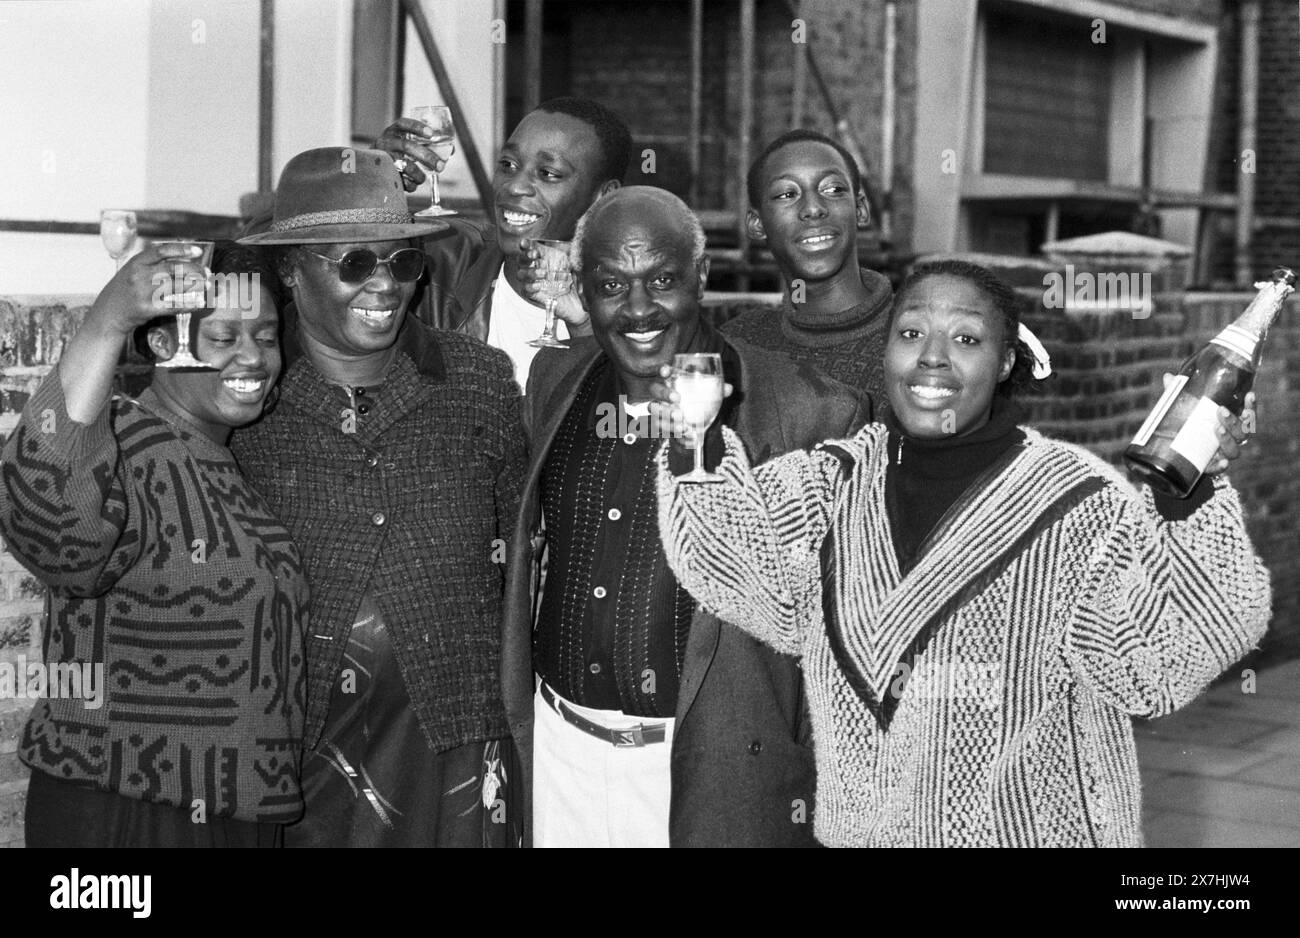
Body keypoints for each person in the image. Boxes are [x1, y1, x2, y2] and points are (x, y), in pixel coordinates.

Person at [657, 259, 1271, 847]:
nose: (932, 355)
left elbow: (1157, 667)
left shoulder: (1076, 505)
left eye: (967, 338)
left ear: (1006, 361)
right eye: (913, 331)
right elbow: (730, 562)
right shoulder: (835, 484)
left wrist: (1191, 494)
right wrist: (691, 431)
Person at [502, 186, 868, 847]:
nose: (638, 308)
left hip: (711, 778)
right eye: (611, 284)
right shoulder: (554, 381)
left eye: (663, 280)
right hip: (561, 762)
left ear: (701, 276)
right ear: (583, 291)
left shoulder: (810, 413)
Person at [234, 147, 528, 847]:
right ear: (289, 268)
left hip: (455, 751)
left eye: (401, 262)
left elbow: (526, 552)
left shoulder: (479, 383)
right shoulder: (248, 400)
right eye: (355, 264)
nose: (385, 285)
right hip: (301, 756)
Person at [1, 241, 307, 847]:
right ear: (164, 345)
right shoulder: (127, 444)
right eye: (223, 339)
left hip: (228, 814)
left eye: (267, 337)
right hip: (127, 816)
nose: (252, 357)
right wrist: (109, 319)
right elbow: (54, 533)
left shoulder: (218, 457)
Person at [376, 96, 631, 390]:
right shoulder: (440, 260)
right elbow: (335, 266)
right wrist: (370, 179)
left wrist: (585, 331)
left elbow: (628, 423)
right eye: (508, 164)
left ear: (604, 197)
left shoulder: (631, 307)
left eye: (548, 174)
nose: (514, 185)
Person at [722, 129, 893, 401]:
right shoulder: (738, 346)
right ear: (757, 224)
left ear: (860, 210)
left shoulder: (913, 336)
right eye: (787, 194)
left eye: (833, 189)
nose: (813, 208)